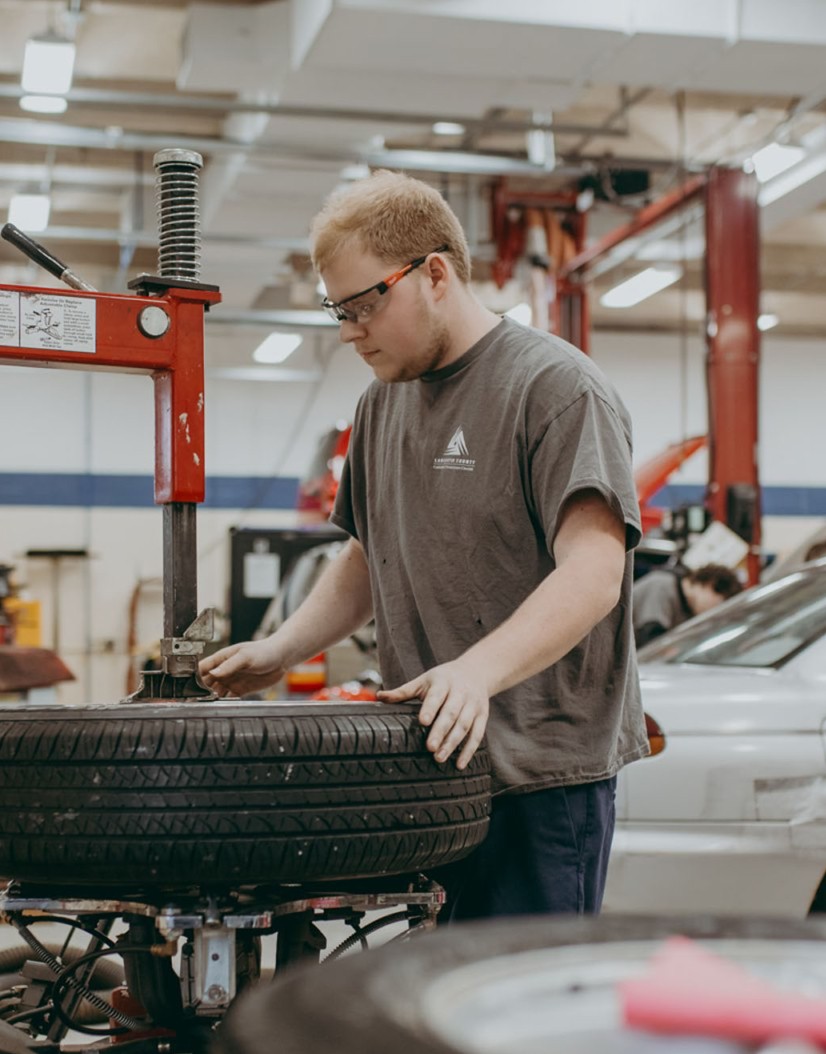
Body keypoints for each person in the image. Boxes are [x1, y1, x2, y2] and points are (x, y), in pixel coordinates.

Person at [198, 170, 647, 922]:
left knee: (513, 989)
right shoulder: (382, 404)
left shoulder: (556, 388)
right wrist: (281, 648)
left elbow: (596, 570)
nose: (350, 332)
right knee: (431, 985)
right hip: (430, 768)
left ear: (434, 273)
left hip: (539, 776)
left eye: (364, 305)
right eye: (338, 311)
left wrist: (475, 672)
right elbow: (369, 555)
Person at [630, 563, 742, 644]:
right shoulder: (661, 585)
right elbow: (651, 636)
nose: (714, 613)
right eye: (719, 605)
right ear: (710, 585)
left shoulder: (689, 608)